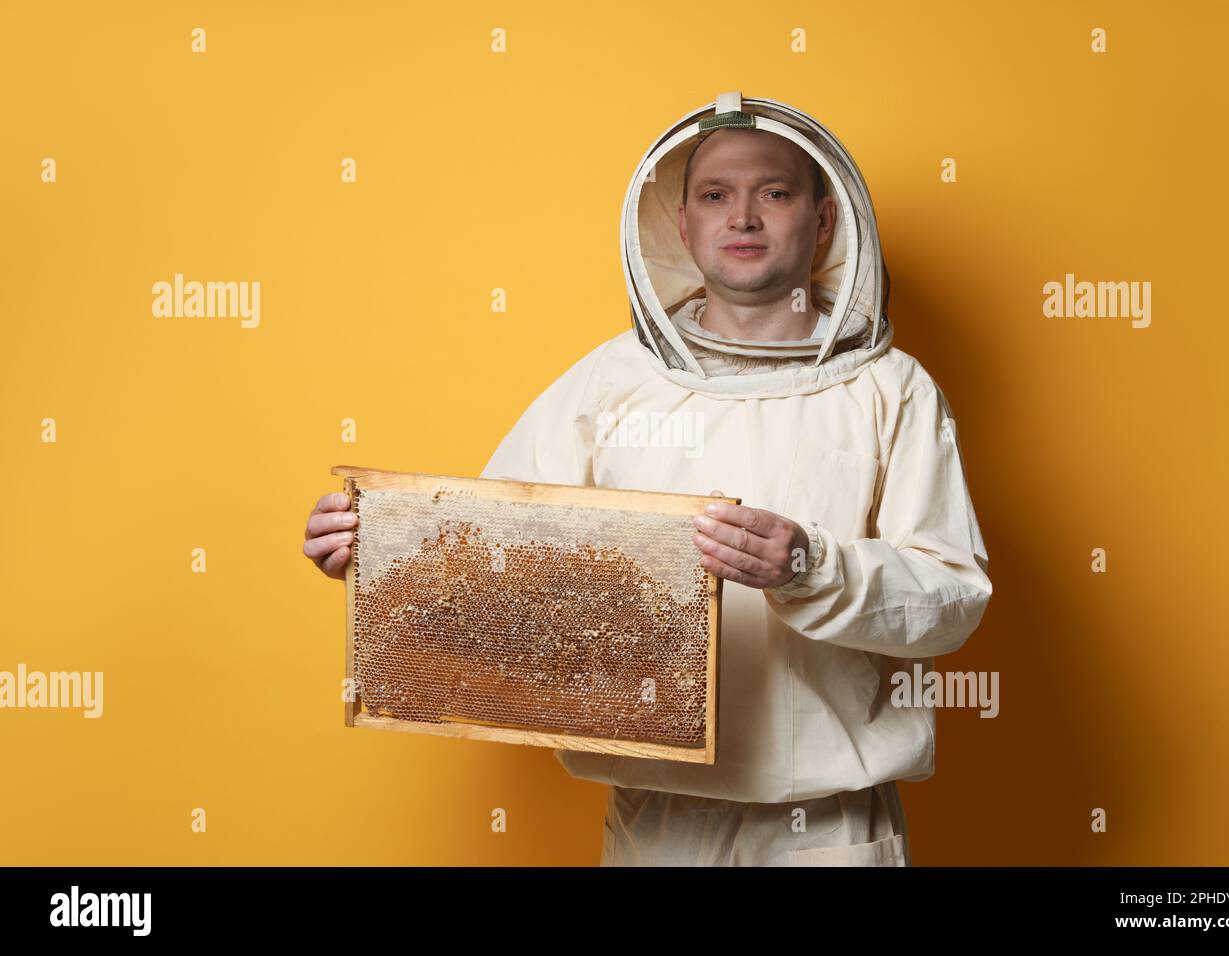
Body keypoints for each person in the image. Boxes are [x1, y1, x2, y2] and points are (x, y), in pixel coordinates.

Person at [303, 91, 992, 866]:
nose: (743, 218)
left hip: (828, 831)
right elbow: (495, 557)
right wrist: (384, 558)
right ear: (682, 224)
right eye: (715, 195)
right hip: (655, 826)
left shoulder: (893, 390)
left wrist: (811, 563)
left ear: (824, 220)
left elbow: (951, 602)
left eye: (774, 192)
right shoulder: (608, 383)